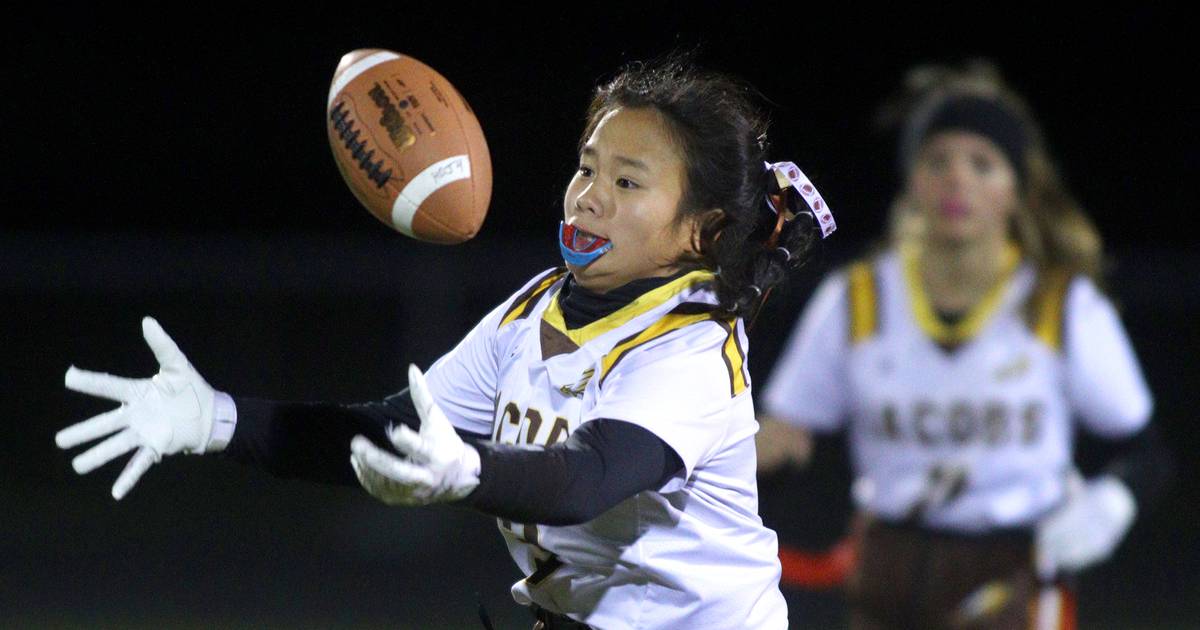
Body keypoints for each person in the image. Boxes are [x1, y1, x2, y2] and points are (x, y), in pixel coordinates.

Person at [55, 56, 835, 630]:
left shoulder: (690, 349)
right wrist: (221, 419)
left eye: (628, 183)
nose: (589, 194)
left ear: (702, 231)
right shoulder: (534, 311)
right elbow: (393, 431)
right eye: (586, 167)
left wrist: (470, 472)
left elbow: (589, 477)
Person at [757, 61, 1171, 629]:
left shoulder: (1061, 305)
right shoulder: (858, 298)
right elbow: (787, 434)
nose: (958, 179)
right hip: (888, 573)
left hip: (1011, 576)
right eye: (938, 160)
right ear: (912, 179)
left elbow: (1147, 451)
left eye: (982, 163)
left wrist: (1113, 504)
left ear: (1017, 189)